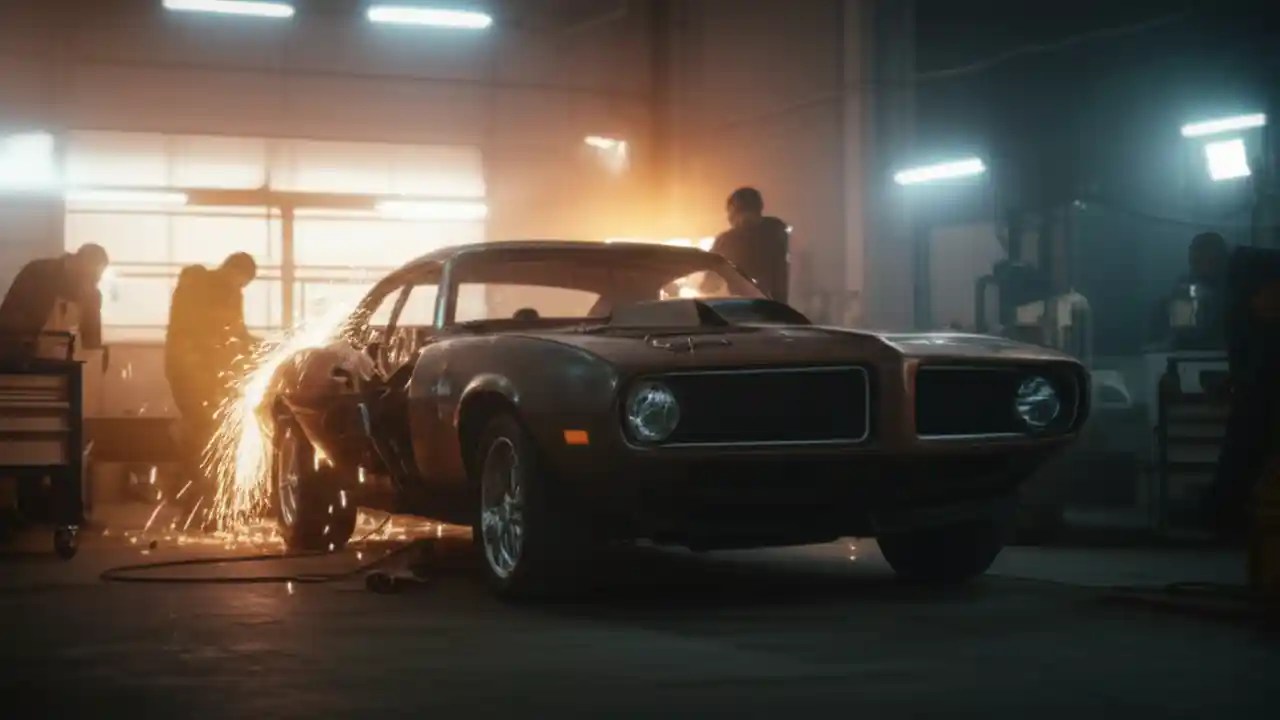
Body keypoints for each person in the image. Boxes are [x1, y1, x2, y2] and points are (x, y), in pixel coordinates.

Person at [164, 253, 259, 500]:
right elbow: (189, 329)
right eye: (240, 281)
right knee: (201, 425)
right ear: (230, 268)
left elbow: (238, 330)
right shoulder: (196, 284)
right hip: (187, 368)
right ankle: (197, 488)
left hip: (214, 372)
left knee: (212, 427)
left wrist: (259, 346)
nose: (240, 287)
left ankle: (203, 487)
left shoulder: (234, 294)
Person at [0, 243, 109, 360]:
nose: (93, 284)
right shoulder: (38, 273)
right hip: (17, 360)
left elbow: (91, 344)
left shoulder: (90, 294)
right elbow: (10, 323)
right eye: (90, 277)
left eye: (96, 279)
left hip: (59, 366)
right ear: (75, 264)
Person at [1150, 232, 1230, 349]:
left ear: (1220, 258)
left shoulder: (1235, 284)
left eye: (1205, 257)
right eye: (1194, 260)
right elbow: (1182, 330)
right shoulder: (1187, 286)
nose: (1196, 264)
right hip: (1191, 357)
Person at [710, 187, 791, 303]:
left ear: (733, 212)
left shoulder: (726, 241)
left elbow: (710, 283)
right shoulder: (777, 230)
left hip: (745, 309)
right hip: (779, 308)